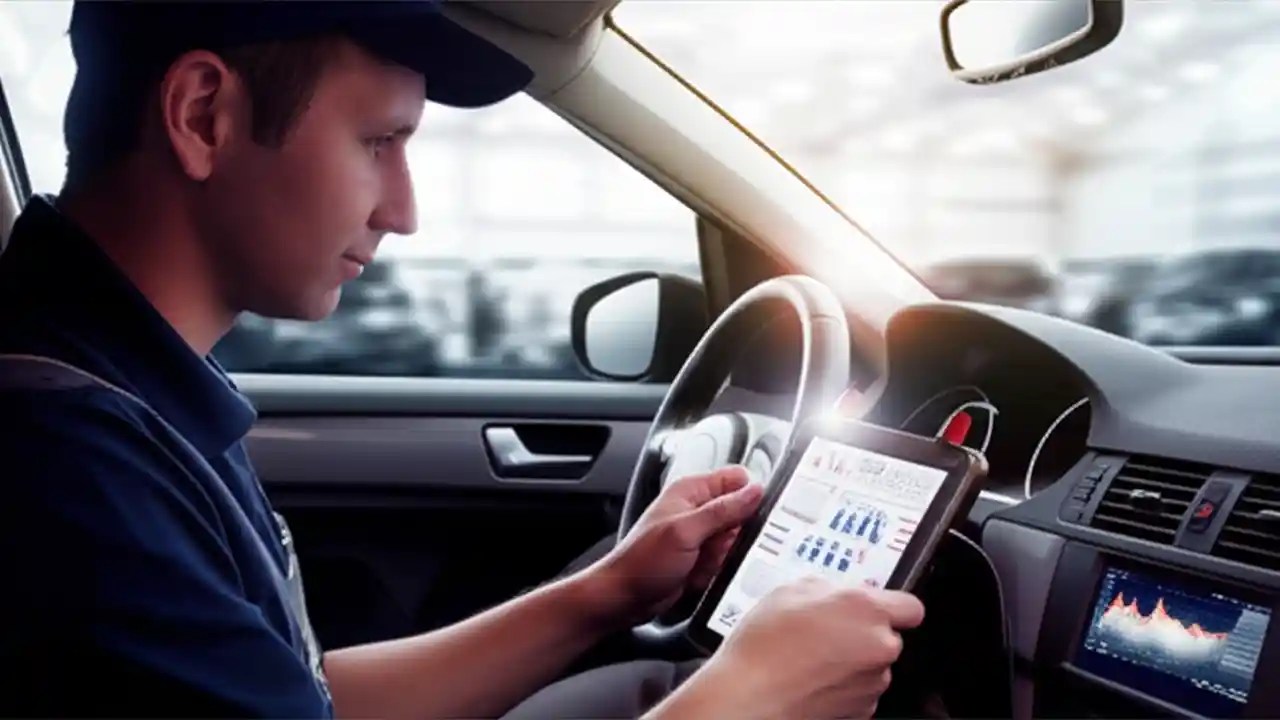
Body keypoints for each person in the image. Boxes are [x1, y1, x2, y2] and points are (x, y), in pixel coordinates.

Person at [0, 2, 925, 717]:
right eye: (378, 143)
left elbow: (305, 697)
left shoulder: (124, 393)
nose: (403, 211)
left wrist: (604, 593)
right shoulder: (61, 455)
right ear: (203, 116)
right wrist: (750, 695)